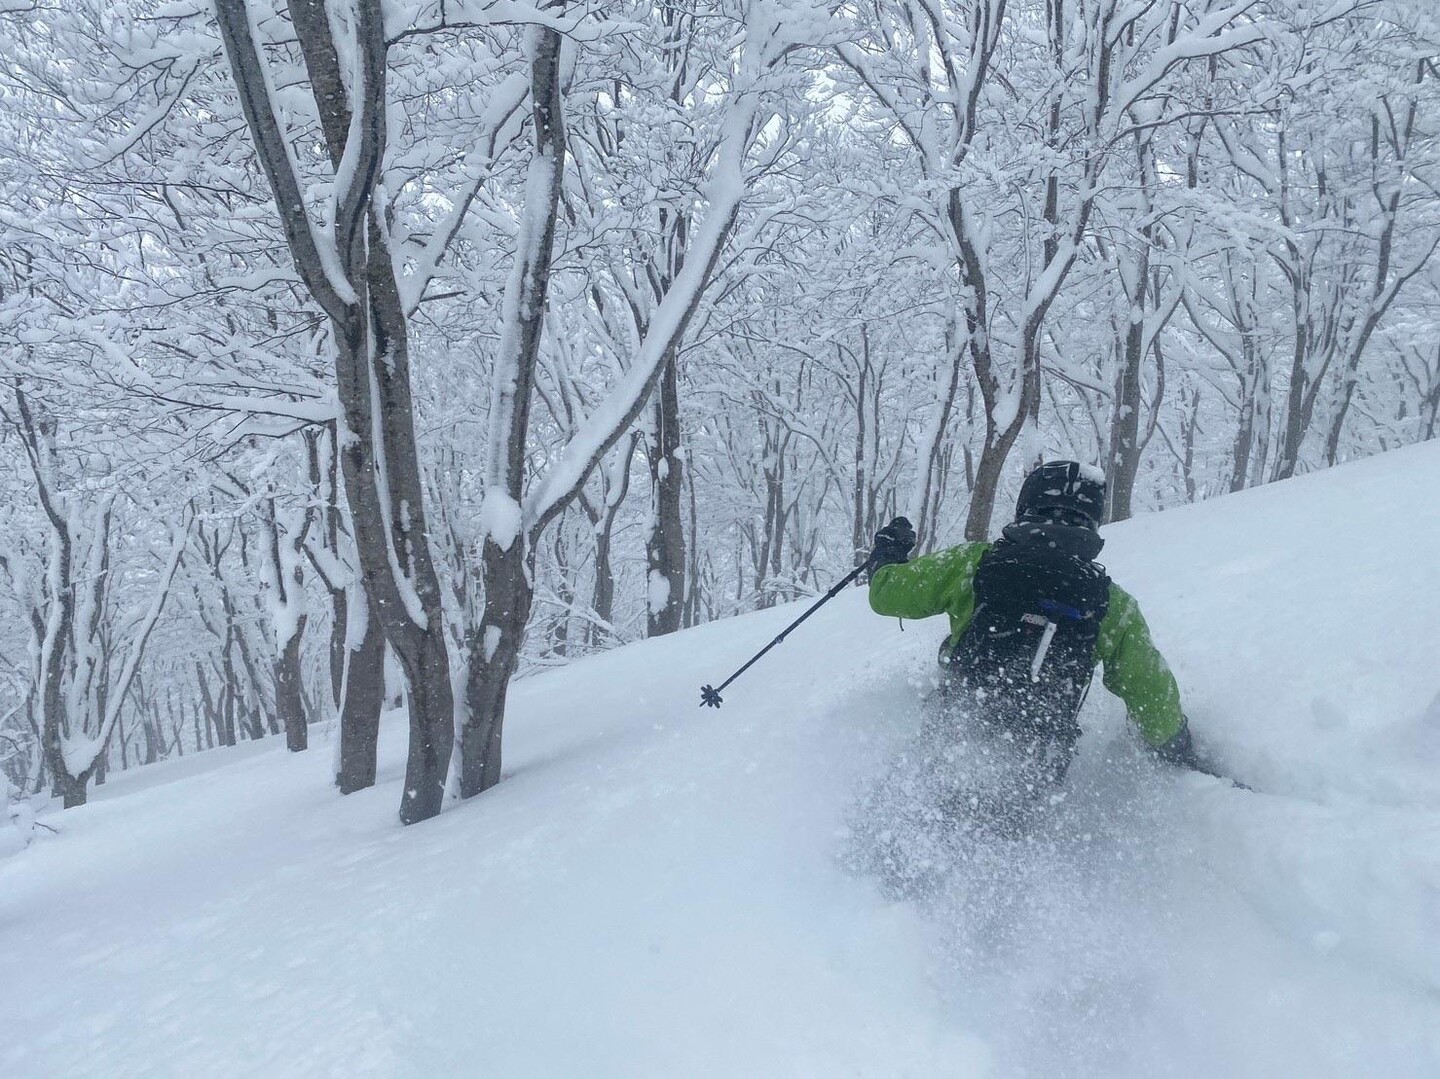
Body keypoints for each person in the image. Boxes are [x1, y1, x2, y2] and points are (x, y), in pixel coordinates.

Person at [865, 461, 1212, 824]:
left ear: (1026, 506)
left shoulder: (973, 563)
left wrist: (886, 556)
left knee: (917, 818)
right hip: (1035, 771)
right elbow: (1150, 691)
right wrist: (1176, 746)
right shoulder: (1112, 605)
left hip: (953, 739)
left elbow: (886, 595)